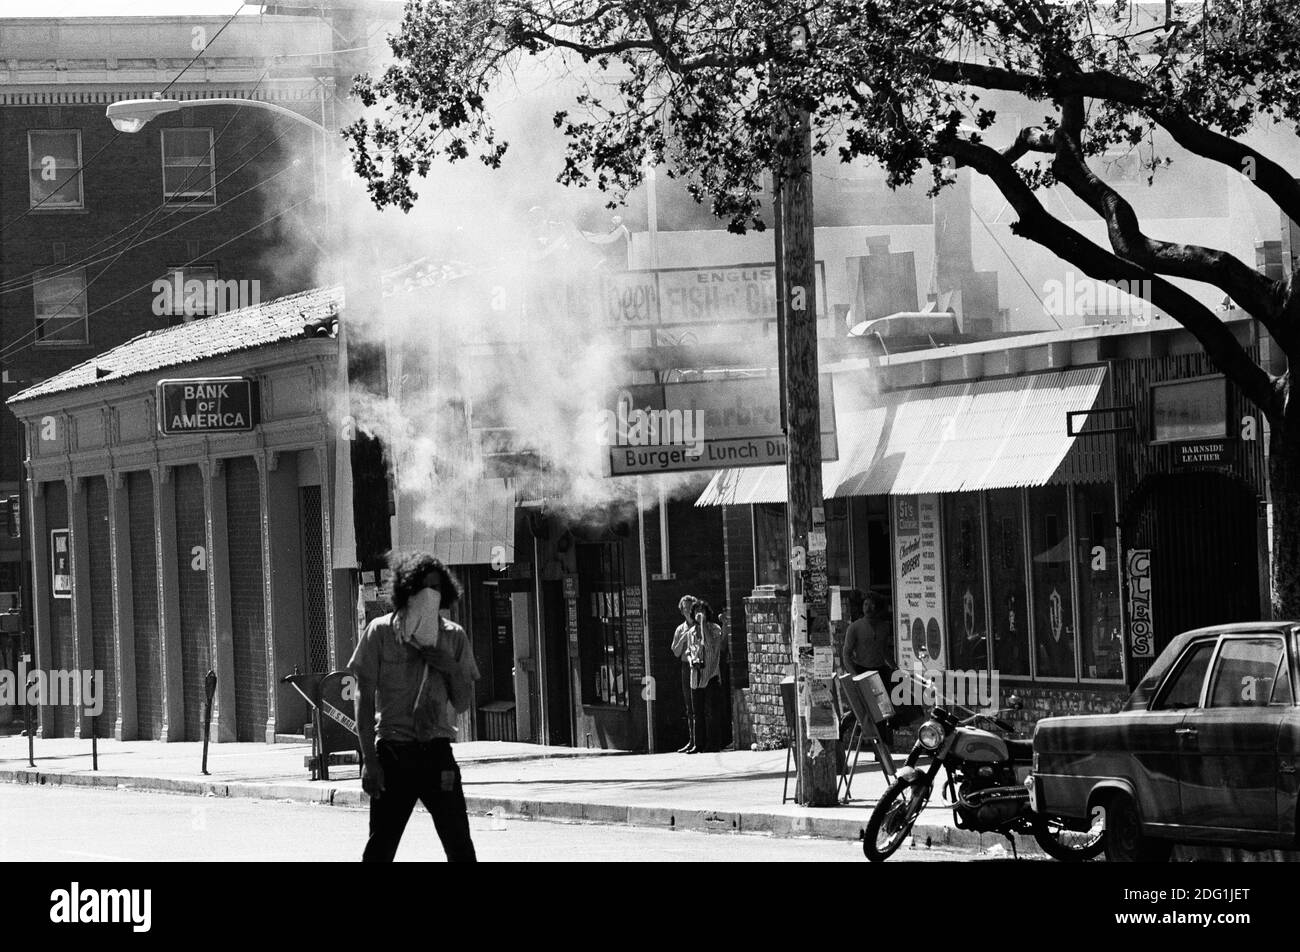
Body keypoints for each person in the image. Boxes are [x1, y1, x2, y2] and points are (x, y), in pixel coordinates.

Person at [348, 552, 479, 862]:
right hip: (395, 752)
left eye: (435, 588)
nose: (428, 595)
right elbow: (363, 698)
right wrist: (369, 759)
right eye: (421, 587)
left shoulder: (453, 636)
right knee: (381, 845)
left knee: (459, 843)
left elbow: (462, 703)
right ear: (406, 591)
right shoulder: (381, 632)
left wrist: (450, 667)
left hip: (436, 751)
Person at [841, 591, 895, 747]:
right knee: (861, 709)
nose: (868, 608)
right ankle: (840, 730)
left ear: (877, 608)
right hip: (861, 671)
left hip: (879, 671)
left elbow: (884, 650)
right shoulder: (855, 627)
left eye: (872, 605)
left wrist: (895, 667)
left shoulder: (884, 627)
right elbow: (846, 654)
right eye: (866, 604)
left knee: (882, 710)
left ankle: (881, 746)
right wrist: (854, 675)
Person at [685, 599, 724, 754]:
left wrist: (702, 625)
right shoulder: (690, 633)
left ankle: (713, 743)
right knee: (697, 713)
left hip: (711, 675)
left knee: (711, 712)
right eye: (696, 611)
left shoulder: (714, 629)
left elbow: (709, 645)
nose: (699, 614)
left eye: (702, 610)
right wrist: (691, 661)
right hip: (696, 675)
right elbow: (688, 651)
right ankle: (698, 743)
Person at [670, 595, 699, 753]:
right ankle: (692, 740)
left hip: (699, 665)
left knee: (700, 703)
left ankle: (700, 740)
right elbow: (675, 651)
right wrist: (684, 637)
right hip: (686, 667)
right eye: (685, 608)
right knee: (689, 705)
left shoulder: (701, 625)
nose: (688, 611)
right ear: (682, 611)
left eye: (691, 607)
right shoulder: (680, 629)